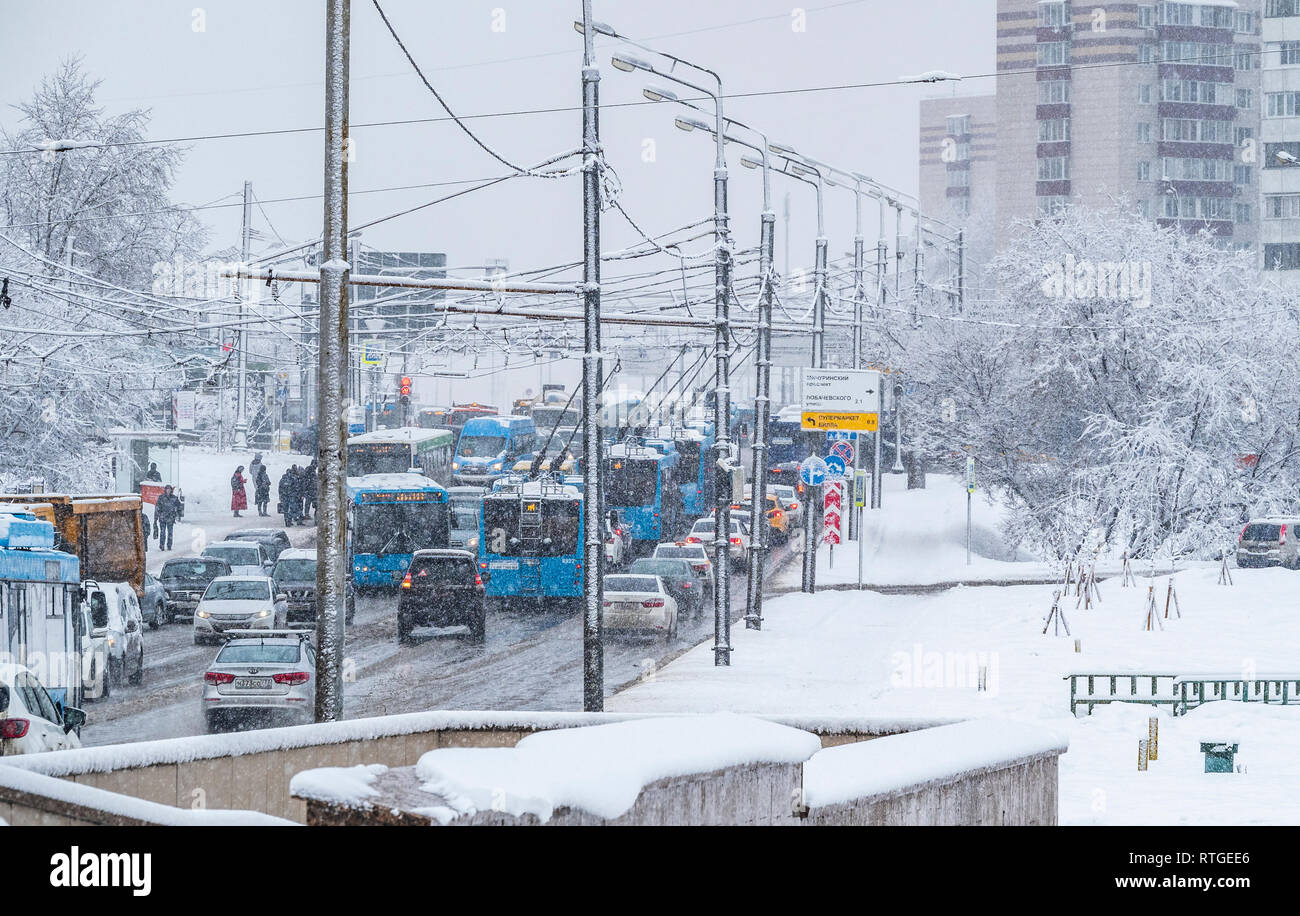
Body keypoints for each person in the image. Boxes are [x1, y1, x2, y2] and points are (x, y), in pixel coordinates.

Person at [155, 484, 181, 551]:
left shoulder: (174, 498)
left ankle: (169, 545)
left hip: (170, 518)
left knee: (170, 533)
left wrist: (176, 514)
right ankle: (162, 545)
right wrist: (157, 516)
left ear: (171, 490)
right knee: (162, 532)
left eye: (169, 489)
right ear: (165, 490)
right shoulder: (161, 497)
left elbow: (179, 506)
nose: (168, 491)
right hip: (162, 518)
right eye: (167, 489)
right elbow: (157, 507)